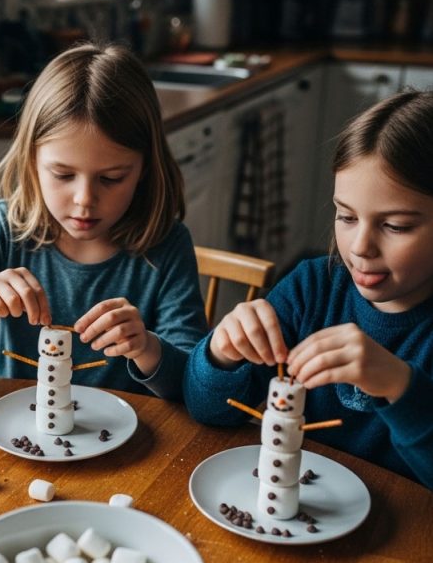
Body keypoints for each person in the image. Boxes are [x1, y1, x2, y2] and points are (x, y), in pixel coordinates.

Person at [0, 42, 207, 400]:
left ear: (144, 168)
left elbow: (193, 384)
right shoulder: (8, 228)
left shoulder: (167, 245)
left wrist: (148, 347)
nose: (84, 199)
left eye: (112, 178)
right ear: (32, 161)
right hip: (28, 440)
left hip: (135, 445)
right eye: (62, 174)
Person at [184, 89, 433, 489]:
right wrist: (221, 355)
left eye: (395, 226)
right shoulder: (313, 287)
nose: (360, 246)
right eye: (346, 217)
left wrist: (398, 384)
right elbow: (208, 410)